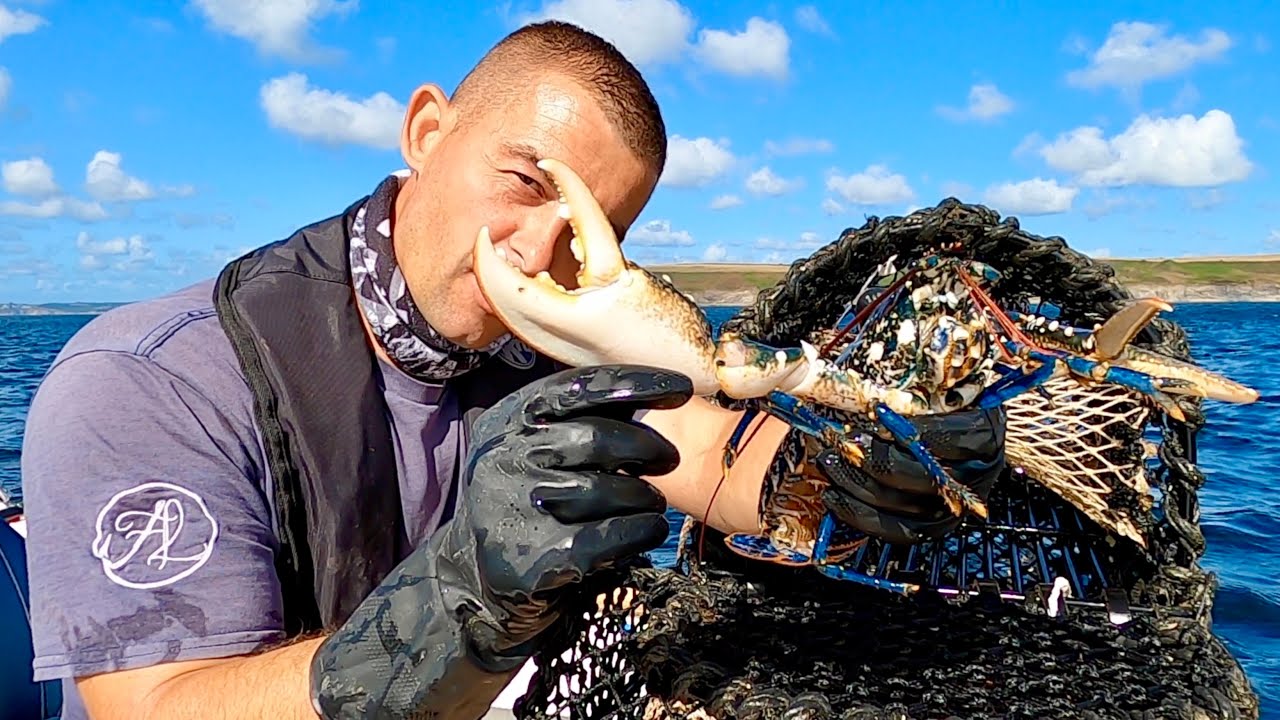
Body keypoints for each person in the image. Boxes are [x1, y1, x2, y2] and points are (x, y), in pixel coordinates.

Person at [19, 20, 1005, 720]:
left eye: (590, 229)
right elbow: (156, 707)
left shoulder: (552, 349)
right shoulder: (149, 382)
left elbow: (715, 453)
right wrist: (464, 594)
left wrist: (863, 465)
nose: (540, 246)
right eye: (525, 182)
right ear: (426, 133)